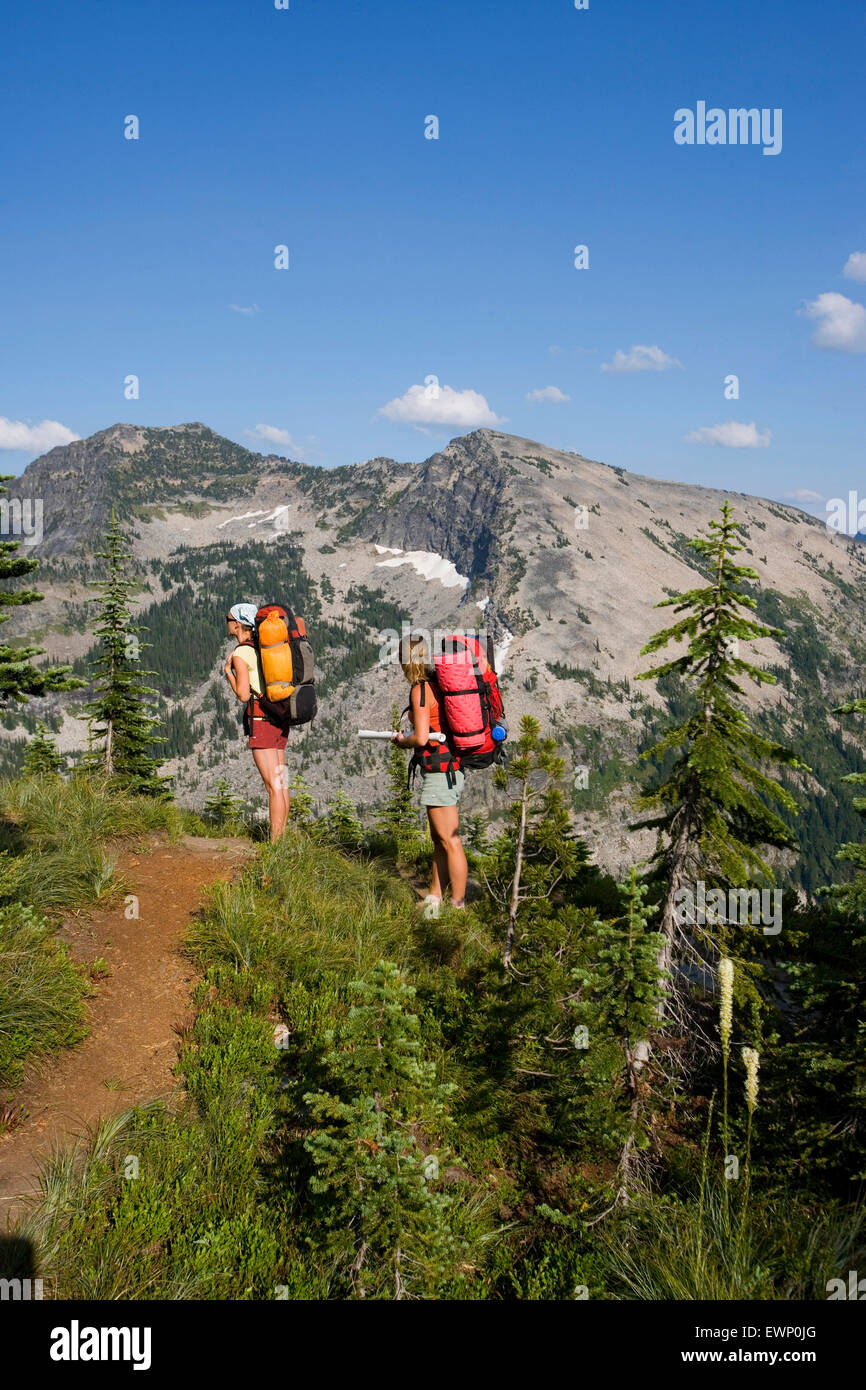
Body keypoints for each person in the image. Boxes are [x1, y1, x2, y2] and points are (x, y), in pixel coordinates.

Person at [393, 633, 468, 912]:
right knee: (439, 837)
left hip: (440, 769)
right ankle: (435, 896)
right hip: (448, 766)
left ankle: (458, 903)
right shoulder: (437, 684)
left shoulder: (420, 690)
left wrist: (403, 739)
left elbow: (422, 738)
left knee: (450, 839)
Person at [224, 602, 290, 840]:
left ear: (239, 624)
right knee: (281, 783)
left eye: (229, 619)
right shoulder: (263, 648)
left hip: (261, 721)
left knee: (272, 786)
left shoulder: (242, 652)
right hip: (279, 721)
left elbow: (243, 694)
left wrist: (229, 673)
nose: (228, 623)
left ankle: (275, 846)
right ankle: (281, 840)